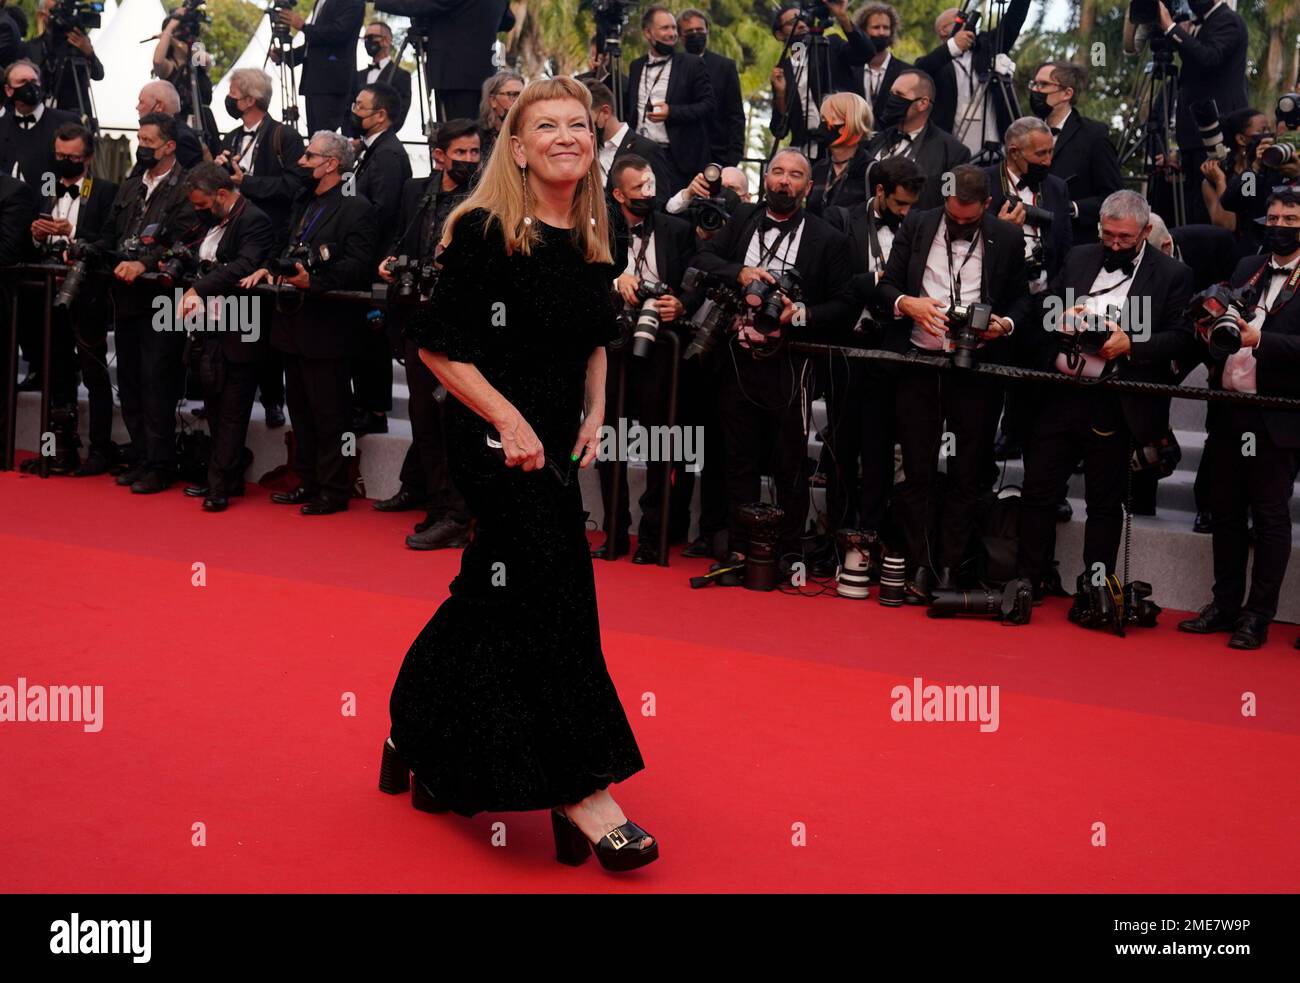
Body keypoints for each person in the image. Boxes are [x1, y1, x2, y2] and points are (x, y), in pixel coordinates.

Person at [383, 76, 658, 871]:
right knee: (558, 594)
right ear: (518, 145)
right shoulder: (483, 230)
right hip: (498, 443)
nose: (567, 136)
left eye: (579, 124)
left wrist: (597, 410)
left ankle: (411, 728)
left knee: (489, 595)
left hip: (557, 447)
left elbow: (596, 335)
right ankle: (582, 789)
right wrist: (507, 420)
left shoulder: (591, 232)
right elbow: (437, 343)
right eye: (548, 126)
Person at [1016, 190, 1194, 606]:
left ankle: (1095, 587)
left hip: (1115, 399)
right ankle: (1029, 577)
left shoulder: (1171, 274)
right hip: (1060, 394)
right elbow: (1047, 305)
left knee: (1104, 501)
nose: (1114, 244)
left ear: (1146, 232)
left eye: (1124, 238)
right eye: (1108, 235)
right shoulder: (1080, 256)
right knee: (1038, 489)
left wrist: (1129, 343)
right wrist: (1062, 318)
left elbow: (1183, 339)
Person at [876, 163, 1032, 597]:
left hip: (978, 373)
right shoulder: (919, 224)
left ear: (985, 206)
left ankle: (950, 568)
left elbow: (1023, 299)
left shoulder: (1008, 236)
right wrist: (910, 304)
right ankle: (919, 565)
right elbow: (887, 286)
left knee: (967, 475)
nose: (959, 223)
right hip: (920, 366)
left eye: (969, 219)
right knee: (918, 473)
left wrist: (1004, 324)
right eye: (953, 216)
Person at [1179, 188, 1300, 650]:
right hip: (1228, 411)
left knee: (1269, 518)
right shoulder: (1245, 267)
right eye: (1273, 216)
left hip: (1276, 417)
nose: (1280, 224)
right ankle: (1225, 604)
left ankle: (1257, 615)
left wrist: (1260, 339)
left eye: (1290, 217)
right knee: (1225, 511)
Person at [241, 131, 378, 515]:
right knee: (301, 411)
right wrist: (271, 268)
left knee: (331, 414)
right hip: (292, 325)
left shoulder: (357, 207)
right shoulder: (303, 200)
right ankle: (308, 480)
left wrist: (312, 280)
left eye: (308, 157)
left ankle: (335, 489)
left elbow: (359, 266)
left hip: (329, 330)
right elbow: (285, 247)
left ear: (331, 164)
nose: (300, 163)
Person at [375, 118, 482, 550]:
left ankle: (459, 514)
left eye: (476, 153)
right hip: (418, 321)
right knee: (424, 420)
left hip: (464, 328)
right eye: (462, 153)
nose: (470, 161)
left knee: (456, 422)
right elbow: (401, 241)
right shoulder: (414, 192)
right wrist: (391, 263)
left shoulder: (484, 200)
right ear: (439, 155)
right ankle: (439, 508)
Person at [177, 163, 275, 512]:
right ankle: (227, 478)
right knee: (216, 407)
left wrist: (197, 289)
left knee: (232, 410)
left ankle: (219, 485)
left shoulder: (254, 220)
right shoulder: (213, 220)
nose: (198, 211)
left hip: (241, 328)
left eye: (202, 204)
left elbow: (244, 265)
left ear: (221, 194)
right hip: (211, 326)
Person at [914, 0, 1033, 156]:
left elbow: (1013, 21)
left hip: (996, 151)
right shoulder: (936, 62)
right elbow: (918, 70)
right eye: (962, 20)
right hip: (952, 152)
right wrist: (954, 46)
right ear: (943, 30)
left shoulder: (986, 47)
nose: (970, 24)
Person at [624, 4, 715, 197]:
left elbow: (708, 106)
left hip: (676, 159)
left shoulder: (693, 64)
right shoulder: (636, 66)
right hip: (638, 154)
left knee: (673, 214)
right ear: (648, 33)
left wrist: (671, 112)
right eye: (665, 28)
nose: (672, 33)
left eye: (674, 28)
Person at [1028, 62, 1122, 244]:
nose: (1036, 90)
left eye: (1044, 85)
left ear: (1067, 93)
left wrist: (1073, 208)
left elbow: (1113, 196)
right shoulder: (1027, 131)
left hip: (1075, 243)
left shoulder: (1094, 135)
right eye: (1034, 84)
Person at [864, 68, 970, 210]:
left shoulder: (952, 153)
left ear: (923, 103)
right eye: (891, 93)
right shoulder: (875, 140)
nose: (892, 99)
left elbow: (949, 206)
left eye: (899, 94)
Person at [271, 0, 365, 135]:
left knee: (324, 138)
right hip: (313, 81)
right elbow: (314, 47)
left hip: (331, 83)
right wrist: (285, 56)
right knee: (314, 137)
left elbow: (338, 33)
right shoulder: (321, 2)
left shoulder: (353, 3)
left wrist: (303, 26)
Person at [676, 8, 744, 167]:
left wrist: (734, 155)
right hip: (680, 156)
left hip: (716, 154)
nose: (695, 34)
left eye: (699, 30)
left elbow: (735, 114)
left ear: (707, 32)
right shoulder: (673, 65)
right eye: (689, 31)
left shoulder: (725, 67)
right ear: (680, 36)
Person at [807, 91, 874, 216]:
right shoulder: (818, 169)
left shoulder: (870, 171)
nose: (822, 125)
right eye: (822, 119)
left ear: (847, 123)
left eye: (827, 118)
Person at [349, 21, 412, 133]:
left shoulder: (401, 76)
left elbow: (400, 113)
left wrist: (376, 137)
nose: (368, 42)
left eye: (372, 37)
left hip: (382, 140)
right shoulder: (358, 75)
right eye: (365, 39)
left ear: (387, 41)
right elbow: (348, 108)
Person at [477, 69, 523, 164]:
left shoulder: (529, 133)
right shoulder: (478, 136)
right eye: (512, 95)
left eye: (522, 95)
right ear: (493, 100)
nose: (519, 101)